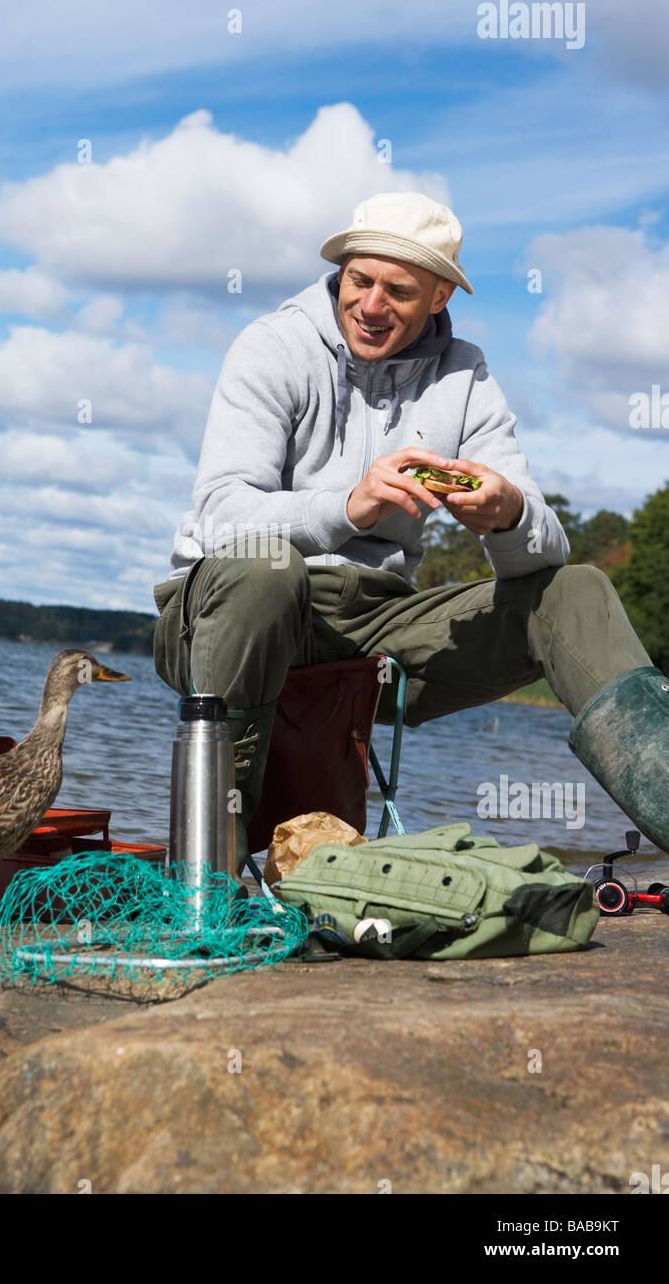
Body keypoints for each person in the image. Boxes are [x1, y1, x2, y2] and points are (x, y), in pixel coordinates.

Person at [152, 192, 668, 871]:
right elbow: (220, 517)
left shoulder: (466, 375)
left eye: (398, 291)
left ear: (440, 295)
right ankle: (203, 874)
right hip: (225, 614)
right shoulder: (273, 346)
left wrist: (508, 513)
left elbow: (546, 544)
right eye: (359, 280)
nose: (370, 304)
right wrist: (348, 506)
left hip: (374, 629)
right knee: (266, 569)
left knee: (576, 588)